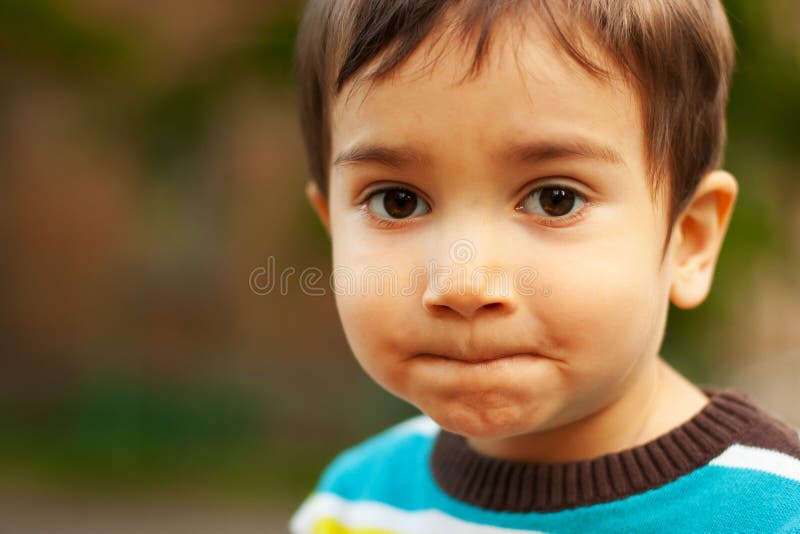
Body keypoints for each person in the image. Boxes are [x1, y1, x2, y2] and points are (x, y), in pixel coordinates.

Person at [288, 1, 800, 532]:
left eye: (555, 199)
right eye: (397, 201)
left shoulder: (774, 515)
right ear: (332, 230)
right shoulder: (350, 507)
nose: (464, 284)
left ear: (690, 240)